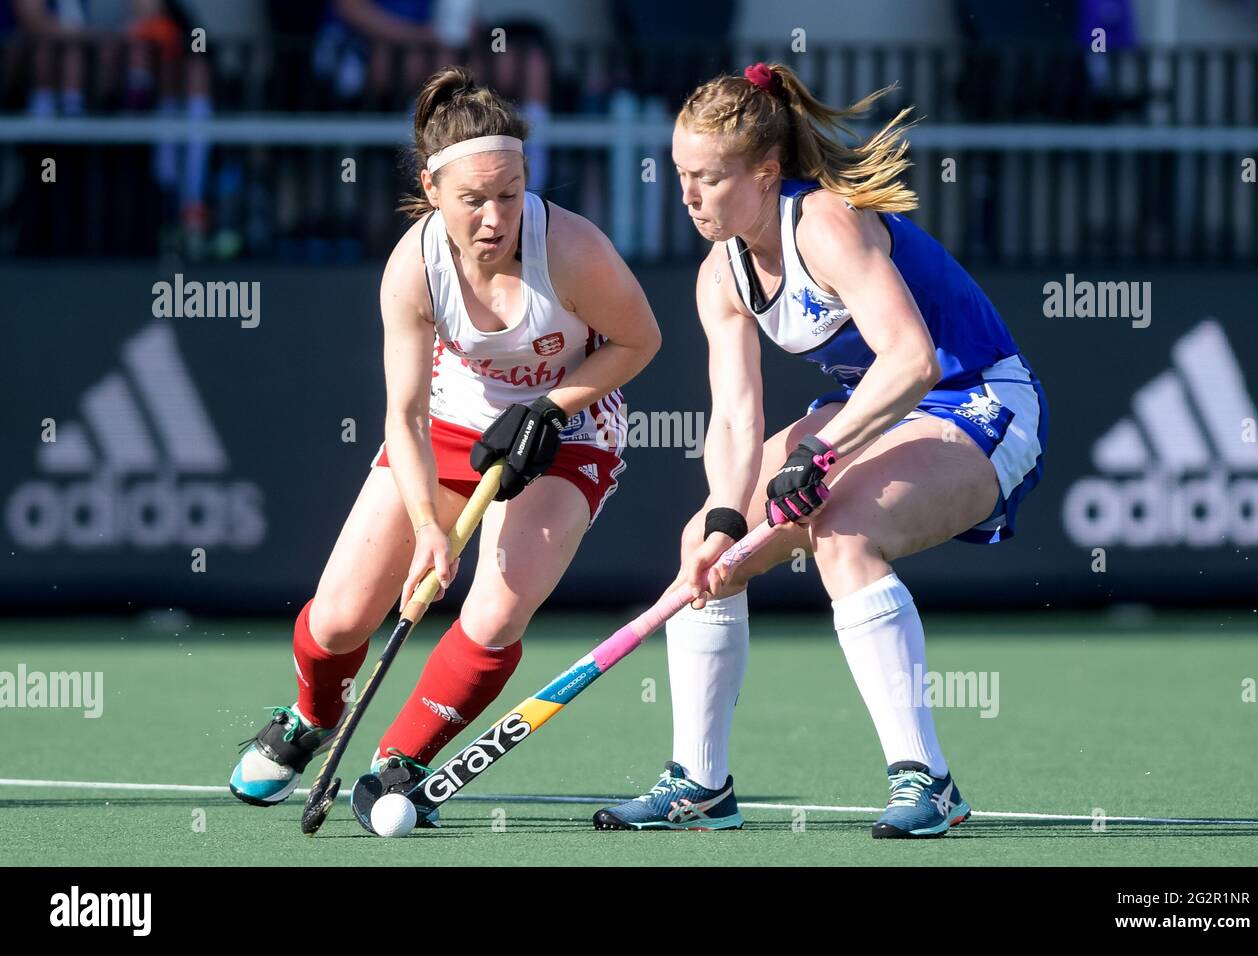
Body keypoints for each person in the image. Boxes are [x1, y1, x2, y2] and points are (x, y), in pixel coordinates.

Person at [595, 62, 1047, 838]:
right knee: (702, 548)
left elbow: (913, 360)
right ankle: (699, 783)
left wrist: (824, 452)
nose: (689, 196)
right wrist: (727, 520)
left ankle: (926, 781)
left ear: (767, 173)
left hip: (979, 400)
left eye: (708, 177)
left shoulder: (828, 223)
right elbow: (736, 420)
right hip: (868, 411)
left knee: (845, 533)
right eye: (680, 176)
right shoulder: (722, 275)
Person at [229, 66, 660, 826]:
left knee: (494, 615)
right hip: (451, 423)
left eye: (509, 193)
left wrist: (549, 408)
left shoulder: (573, 250)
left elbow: (637, 341)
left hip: (569, 432)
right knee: (336, 622)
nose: (495, 218)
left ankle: (400, 761)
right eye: (472, 200)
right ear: (432, 191)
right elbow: (403, 415)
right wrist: (431, 528)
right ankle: (310, 715)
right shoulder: (413, 268)